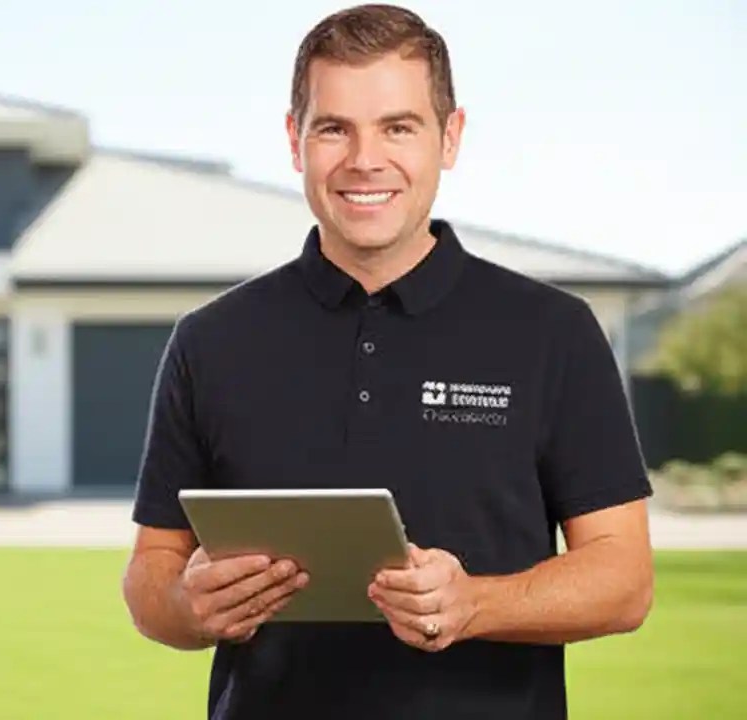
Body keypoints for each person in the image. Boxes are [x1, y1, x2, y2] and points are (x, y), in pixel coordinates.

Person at [120, 4, 654, 719]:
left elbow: (624, 578)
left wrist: (477, 604)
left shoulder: (553, 331)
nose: (364, 160)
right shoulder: (210, 340)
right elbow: (150, 574)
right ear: (294, 140)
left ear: (450, 136)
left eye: (398, 127)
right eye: (334, 128)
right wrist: (186, 604)